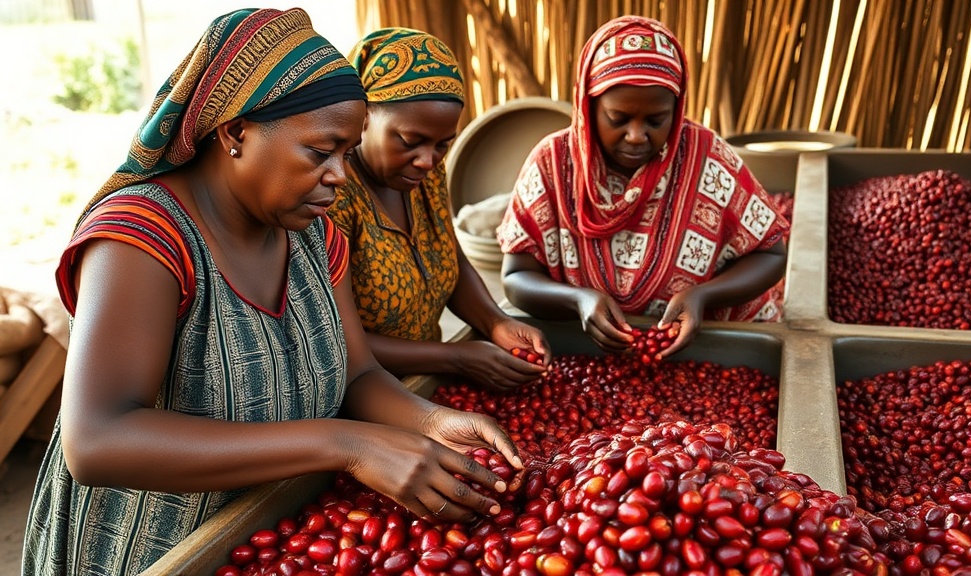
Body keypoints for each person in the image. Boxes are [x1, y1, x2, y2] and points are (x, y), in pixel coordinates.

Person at [23, 9, 521, 575]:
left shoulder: (313, 236)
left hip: (268, 538)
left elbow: (357, 374)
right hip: (152, 552)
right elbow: (98, 440)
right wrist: (347, 445)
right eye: (320, 152)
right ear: (235, 131)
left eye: (346, 152)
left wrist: (428, 421)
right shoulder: (144, 237)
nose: (339, 174)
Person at [498, 16, 790, 358]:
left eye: (656, 120)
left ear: (676, 109)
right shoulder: (552, 163)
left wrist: (701, 296)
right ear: (589, 106)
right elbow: (516, 277)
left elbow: (770, 253)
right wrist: (578, 300)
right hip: (590, 350)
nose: (637, 136)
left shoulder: (706, 157)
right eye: (618, 118)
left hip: (707, 345)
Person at [327, 28, 550, 392]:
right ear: (363, 118)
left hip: (426, 381)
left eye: (443, 145)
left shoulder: (426, 177)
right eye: (410, 142)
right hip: (362, 394)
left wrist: (496, 322)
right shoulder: (333, 195)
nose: (427, 160)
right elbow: (340, 340)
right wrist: (456, 357)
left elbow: (452, 261)